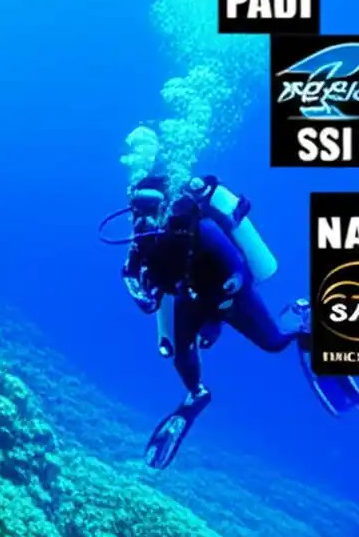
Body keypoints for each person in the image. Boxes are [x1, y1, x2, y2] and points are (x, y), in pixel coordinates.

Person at [100, 173, 359, 470]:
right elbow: (131, 277)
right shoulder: (140, 242)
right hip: (193, 299)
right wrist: (143, 296)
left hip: (229, 297)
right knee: (182, 356)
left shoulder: (199, 228)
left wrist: (231, 287)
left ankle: (303, 322)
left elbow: (237, 268)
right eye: (138, 210)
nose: (143, 219)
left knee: (274, 343)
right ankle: (196, 393)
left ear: (166, 206)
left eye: (149, 209)